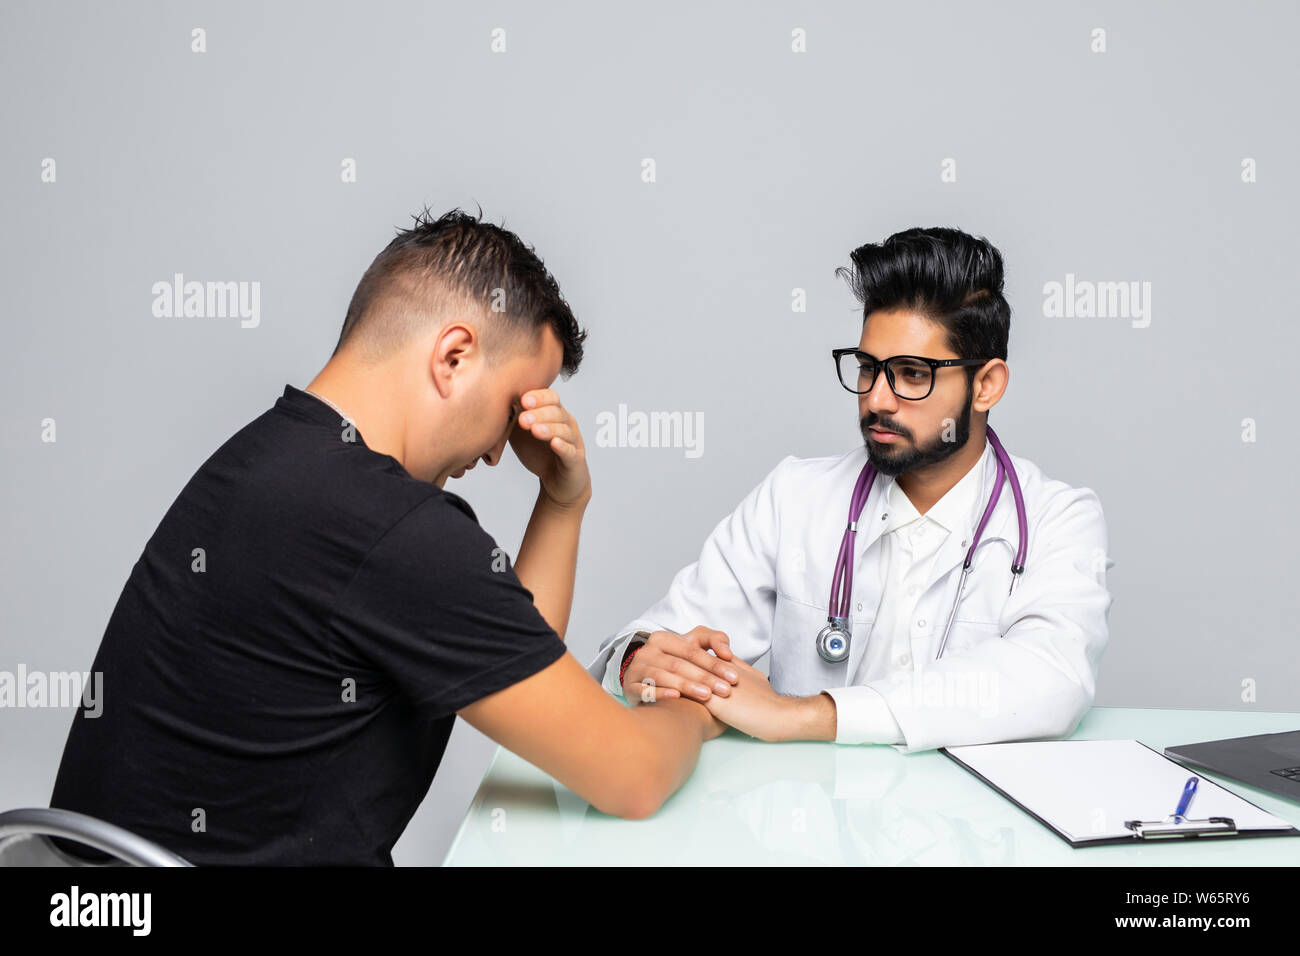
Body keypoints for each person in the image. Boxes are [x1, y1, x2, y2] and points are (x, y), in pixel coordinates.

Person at [49, 206, 724, 865]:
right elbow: (630, 778)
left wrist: (560, 502)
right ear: (454, 356)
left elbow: (515, 671)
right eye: (515, 406)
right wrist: (701, 706)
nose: (498, 452)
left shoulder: (261, 459)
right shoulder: (395, 530)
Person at [587, 226, 1114, 753]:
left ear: (987, 385)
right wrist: (641, 658)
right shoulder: (795, 497)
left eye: (912, 374)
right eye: (868, 368)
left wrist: (800, 716)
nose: (878, 399)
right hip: (814, 825)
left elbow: (1050, 678)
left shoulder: (1056, 519)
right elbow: (657, 634)